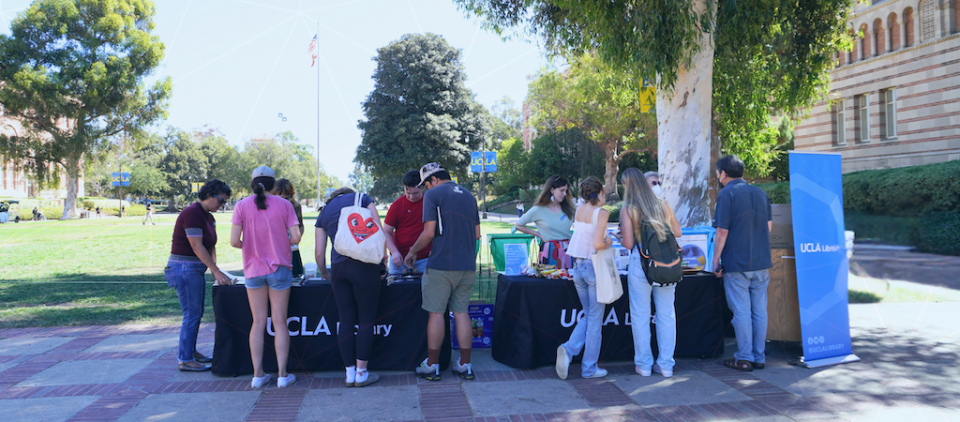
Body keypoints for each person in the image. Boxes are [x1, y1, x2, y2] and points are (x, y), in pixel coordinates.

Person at [404, 163, 480, 381]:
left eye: (425, 185)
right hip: (467, 265)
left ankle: (432, 364)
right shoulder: (469, 195)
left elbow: (429, 233)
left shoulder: (433, 195)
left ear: (433, 180)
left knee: (436, 314)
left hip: (440, 265)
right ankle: (465, 364)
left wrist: (412, 251)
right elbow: (476, 234)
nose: (425, 189)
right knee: (462, 313)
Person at [230, 166, 302, 388]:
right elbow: (296, 237)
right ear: (273, 183)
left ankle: (258, 375)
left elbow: (234, 241)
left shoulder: (241, 205)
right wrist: (280, 242)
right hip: (280, 267)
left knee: (258, 322)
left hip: (253, 269)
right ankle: (282, 375)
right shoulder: (285, 204)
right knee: (280, 322)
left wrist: (251, 247)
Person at [315, 187, 388, 388]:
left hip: (339, 268)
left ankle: (349, 373)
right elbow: (378, 232)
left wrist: (324, 273)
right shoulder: (362, 199)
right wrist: (383, 262)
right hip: (364, 265)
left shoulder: (324, 212)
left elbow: (319, 253)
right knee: (366, 319)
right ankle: (362, 373)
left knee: (345, 319)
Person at [711, 155, 773, 372]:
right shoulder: (761, 193)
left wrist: (715, 259)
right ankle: (759, 357)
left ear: (723, 174)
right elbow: (768, 228)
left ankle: (744, 358)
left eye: (718, 173)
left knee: (741, 312)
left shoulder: (726, 194)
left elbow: (721, 231)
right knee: (759, 311)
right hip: (762, 262)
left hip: (737, 263)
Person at [618, 168, 682, 378]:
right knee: (666, 314)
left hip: (641, 263)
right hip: (666, 263)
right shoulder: (662, 204)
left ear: (628, 186)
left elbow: (628, 243)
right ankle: (666, 365)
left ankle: (644, 364)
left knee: (640, 315)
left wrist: (620, 237)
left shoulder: (628, 209)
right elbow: (678, 232)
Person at [164, 179, 233, 372]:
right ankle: (185, 359)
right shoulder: (193, 213)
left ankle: (191, 352)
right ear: (209, 196)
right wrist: (215, 271)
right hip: (184, 268)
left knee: (196, 313)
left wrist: (215, 269)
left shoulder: (208, 217)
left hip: (195, 269)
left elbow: (210, 246)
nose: (222, 205)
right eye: (220, 200)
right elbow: (196, 245)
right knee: (192, 314)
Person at [556, 177, 611, 380]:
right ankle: (589, 367)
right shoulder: (602, 213)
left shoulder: (579, 210)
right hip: (593, 267)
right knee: (595, 320)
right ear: (601, 192)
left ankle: (569, 349)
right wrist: (609, 241)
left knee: (589, 315)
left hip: (577, 267)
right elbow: (598, 243)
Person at [513, 175, 575, 269]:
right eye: (562, 190)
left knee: (567, 281)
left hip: (568, 250)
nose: (565, 194)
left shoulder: (570, 208)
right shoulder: (538, 210)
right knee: (549, 282)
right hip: (549, 251)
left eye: (566, 191)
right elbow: (518, 225)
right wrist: (538, 234)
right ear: (552, 190)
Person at [384, 171, 431, 275]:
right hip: (399, 260)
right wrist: (395, 252)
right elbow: (386, 232)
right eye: (408, 193)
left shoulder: (429, 204)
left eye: (415, 193)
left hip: (424, 259)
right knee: (396, 289)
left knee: (425, 290)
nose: (411, 197)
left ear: (423, 188)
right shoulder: (397, 206)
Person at [273, 179, 305, 279]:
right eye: (281, 198)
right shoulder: (270, 207)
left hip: (292, 248)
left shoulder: (296, 205)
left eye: (287, 198)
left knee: (295, 278)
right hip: (274, 250)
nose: (284, 202)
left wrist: (294, 240)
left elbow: (300, 226)